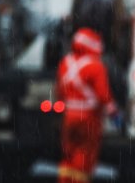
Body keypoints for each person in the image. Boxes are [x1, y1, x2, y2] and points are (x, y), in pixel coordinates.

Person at [56, 28, 117, 183]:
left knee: (68, 154)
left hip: (69, 117)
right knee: (84, 156)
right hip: (89, 118)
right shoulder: (96, 66)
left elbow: (60, 92)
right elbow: (104, 95)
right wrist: (114, 112)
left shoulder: (65, 63)